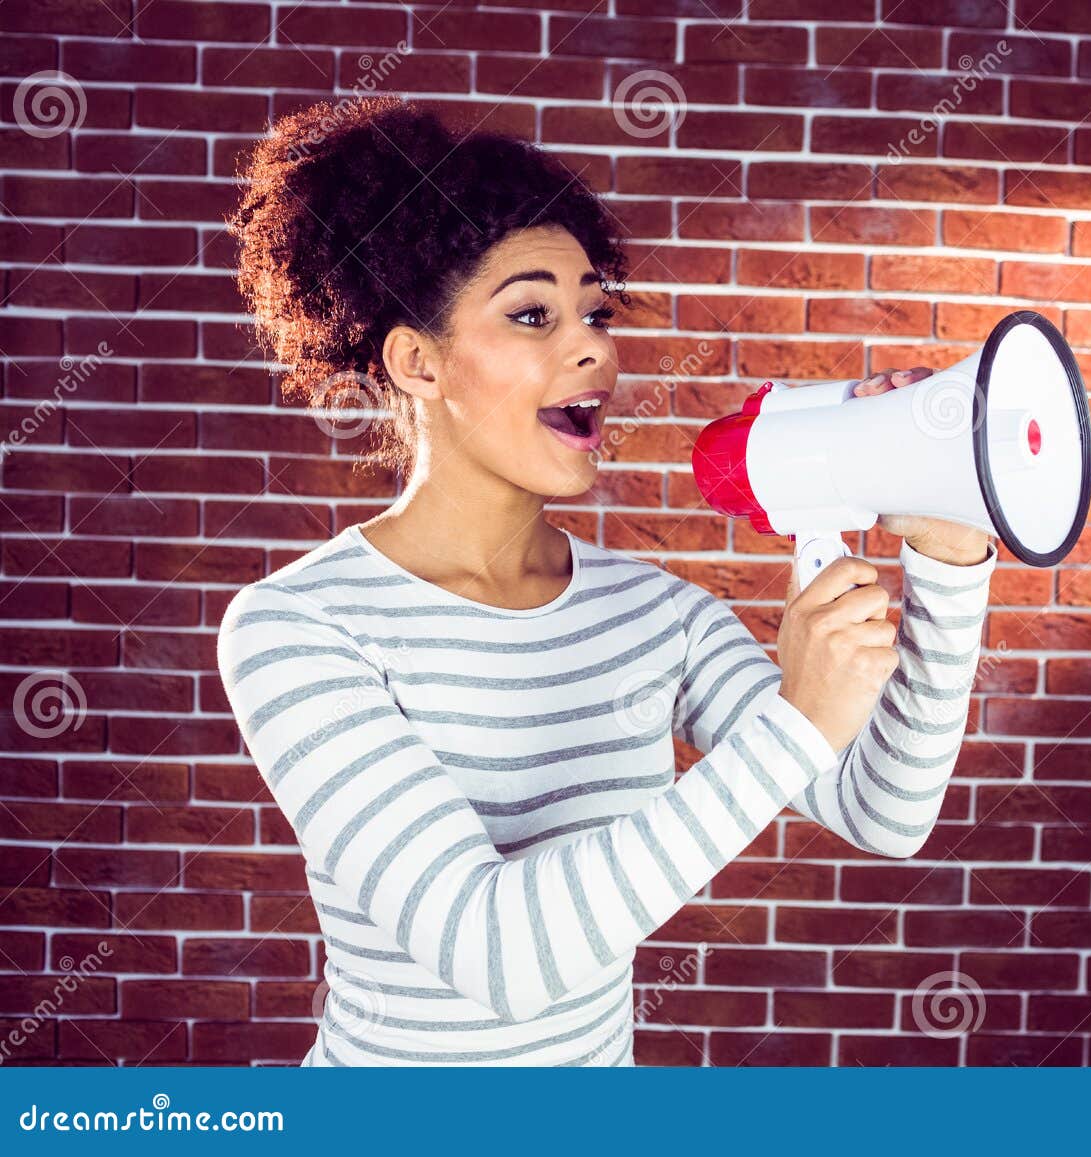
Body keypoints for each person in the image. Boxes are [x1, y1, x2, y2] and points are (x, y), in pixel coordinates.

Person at [216, 96, 998, 1066]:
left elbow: (883, 809)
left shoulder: (656, 615)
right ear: (417, 361)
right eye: (533, 313)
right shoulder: (297, 626)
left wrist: (950, 555)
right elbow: (494, 953)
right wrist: (794, 725)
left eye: (594, 309)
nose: (593, 346)